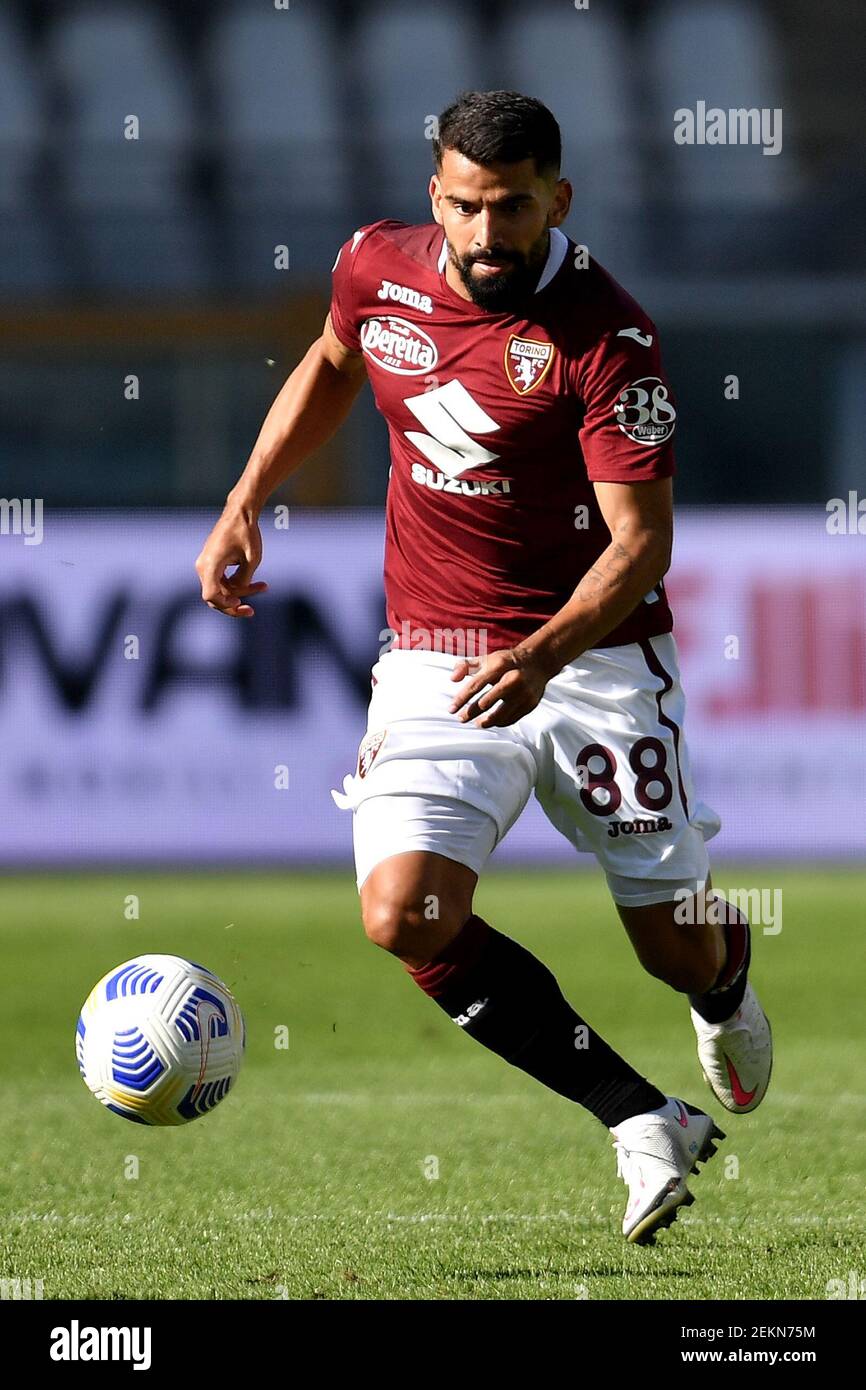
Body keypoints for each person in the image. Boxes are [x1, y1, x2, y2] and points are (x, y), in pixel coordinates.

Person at [195, 91, 771, 1244]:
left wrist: (540, 653)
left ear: (557, 200)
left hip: (596, 661)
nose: (484, 232)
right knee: (403, 912)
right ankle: (635, 1117)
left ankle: (721, 982)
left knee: (670, 947)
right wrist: (247, 496)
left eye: (510, 208)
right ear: (434, 199)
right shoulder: (374, 267)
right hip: (432, 657)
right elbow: (328, 360)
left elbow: (639, 545)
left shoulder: (608, 337)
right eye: (464, 206)